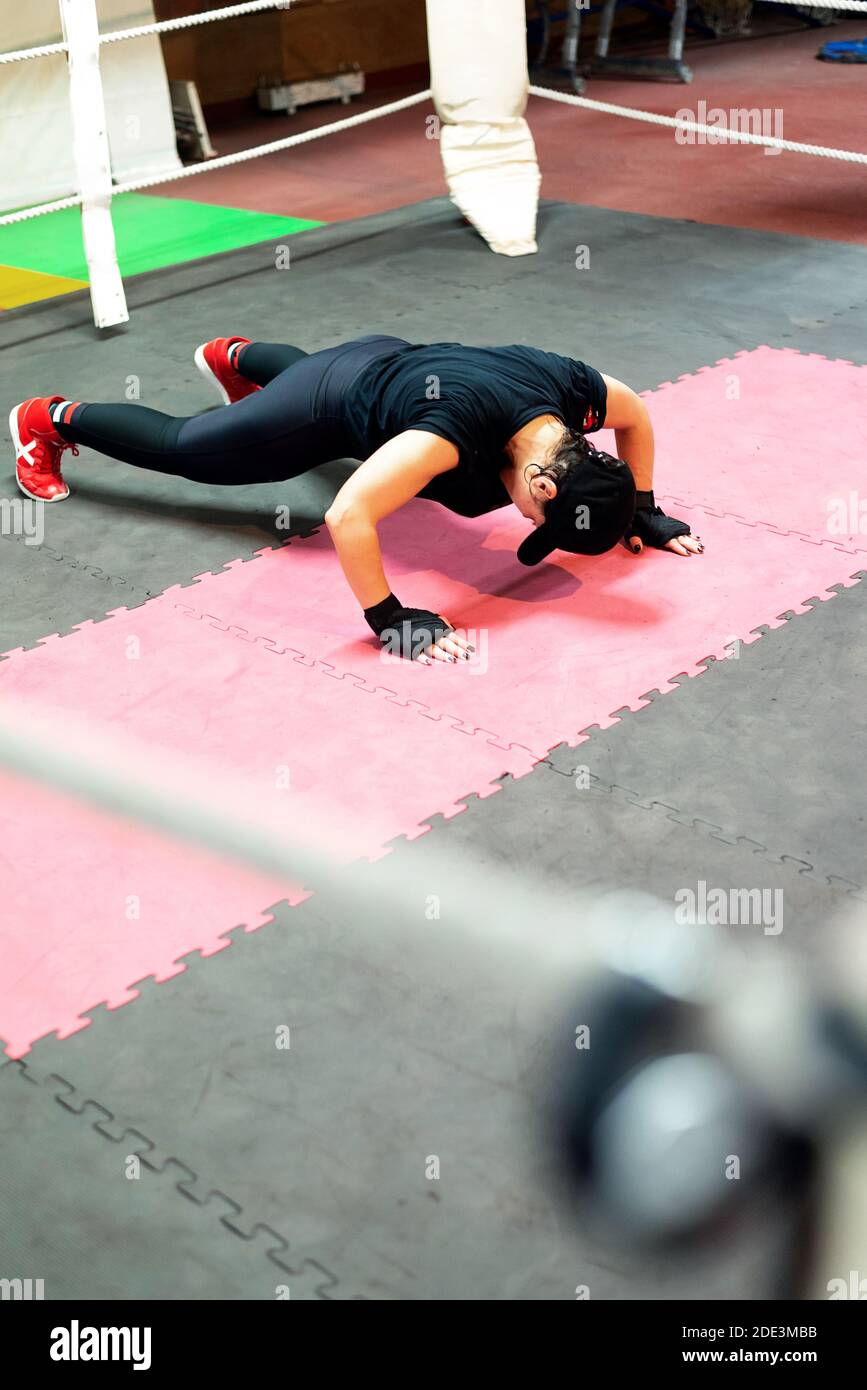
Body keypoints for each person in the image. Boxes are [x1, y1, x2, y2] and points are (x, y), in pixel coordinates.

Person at [10, 333, 702, 663]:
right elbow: (348, 513)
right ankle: (50, 418)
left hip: (382, 359)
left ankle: (240, 356)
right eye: (538, 517)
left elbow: (635, 412)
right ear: (545, 483)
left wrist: (639, 506)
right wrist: (390, 616)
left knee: (456, 488)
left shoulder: (573, 393)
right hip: (328, 405)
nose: (527, 523)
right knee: (189, 450)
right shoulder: (450, 437)